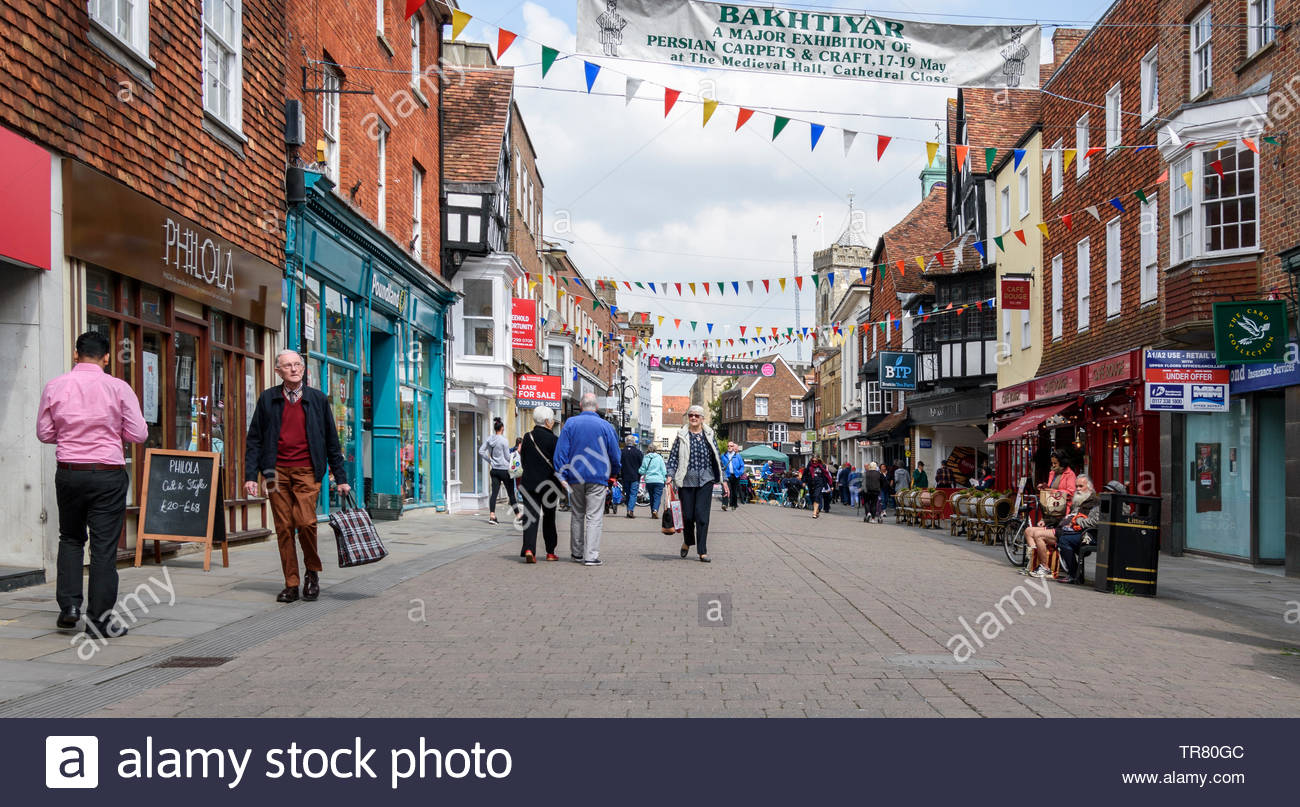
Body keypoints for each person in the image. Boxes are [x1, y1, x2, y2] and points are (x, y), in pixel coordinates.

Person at [37, 331, 148, 636]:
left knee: (71, 538)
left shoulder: (54, 386)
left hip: (70, 472)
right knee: (103, 548)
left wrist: (73, 434)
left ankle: (70, 608)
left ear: (76, 354)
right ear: (107, 358)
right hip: (107, 473)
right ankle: (99, 619)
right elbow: (138, 434)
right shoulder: (118, 388)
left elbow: (44, 434)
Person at [245, 349, 350, 604]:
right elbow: (255, 440)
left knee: (305, 523)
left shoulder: (317, 399)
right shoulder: (268, 398)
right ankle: (291, 584)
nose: (293, 369)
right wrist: (251, 475)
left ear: (303, 369)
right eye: (287, 366)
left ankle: (312, 572)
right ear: (278, 371)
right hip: (275, 472)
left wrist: (341, 476)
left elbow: (331, 442)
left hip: (307, 470)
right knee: (283, 528)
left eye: (297, 365)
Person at [553, 393, 621, 566]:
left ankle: (576, 553)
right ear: (596, 407)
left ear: (581, 406)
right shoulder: (606, 426)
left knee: (577, 514)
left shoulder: (570, 424)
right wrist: (613, 474)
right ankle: (590, 556)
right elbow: (614, 453)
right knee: (594, 516)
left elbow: (561, 451)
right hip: (598, 477)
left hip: (575, 477)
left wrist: (562, 474)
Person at [666, 404, 727, 562]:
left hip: (705, 480)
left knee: (702, 516)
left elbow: (717, 459)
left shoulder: (709, 435)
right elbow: (673, 458)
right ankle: (687, 541)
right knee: (687, 516)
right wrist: (670, 475)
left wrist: (724, 480)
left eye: (696, 416)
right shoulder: (682, 436)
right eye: (691, 415)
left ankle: (702, 551)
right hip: (686, 480)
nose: (693, 418)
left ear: (702, 419)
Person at [517, 407, 562, 562]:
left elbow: (523, 460)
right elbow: (558, 463)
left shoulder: (527, 437)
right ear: (548, 422)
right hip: (549, 485)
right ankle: (550, 552)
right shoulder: (555, 440)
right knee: (549, 518)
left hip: (529, 483)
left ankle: (529, 549)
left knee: (530, 516)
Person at [1024, 449, 1079, 577]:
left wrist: (1052, 491)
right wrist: (1044, 486)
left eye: (1055, 463)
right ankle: (1033, 563)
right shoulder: (1052, 473)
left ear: (1062, 463)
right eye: (1052, 463)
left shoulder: (1070, 475)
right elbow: (1050, 488)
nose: (1053, 466)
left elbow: (1070, 492)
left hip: (1063, 513)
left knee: (1038, 535)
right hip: (1050, 512)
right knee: (1028, 531)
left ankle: (1045, 566)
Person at [1055, 474, 1102, 583]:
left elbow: (1093, 522)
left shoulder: (1095, 501)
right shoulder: (1078, 499)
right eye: (1077, 486)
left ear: (1089, 487)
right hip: (1083, 531)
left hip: (1090, 534)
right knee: (1062, 536)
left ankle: (1074, 574)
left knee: (1063, 539)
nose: (1078, 489)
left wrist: (1077, 521)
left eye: (1081, 486)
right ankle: (1075, 574)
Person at [479, 417, 516, 525]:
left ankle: (492, 515)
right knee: (511, 494)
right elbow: (507, 457)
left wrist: (490, 460)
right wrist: (513, 457)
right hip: (504, 470)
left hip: (494, 470)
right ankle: (519, 515)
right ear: (502, 428)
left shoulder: (489, 439)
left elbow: (481, 451)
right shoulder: (504, 440)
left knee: (494, 493)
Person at [639, 445, 667, 518]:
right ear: (655, 450)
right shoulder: (659, 458)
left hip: (649, 481)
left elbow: (642, 470)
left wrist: (639, 471)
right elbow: (663, 470)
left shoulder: (646, 457)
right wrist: (665, 479)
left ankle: (653, 512)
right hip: (659, 480)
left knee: (651, 497)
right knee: (657, 497)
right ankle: (655, 510)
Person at [620, 435, 644, 518]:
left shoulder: (622, 452)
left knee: (628, 494)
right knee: (633, 494)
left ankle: (628, 509)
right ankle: (630, 510)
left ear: (626, 442)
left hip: (625, 476)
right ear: (634, 442)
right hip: (635, 476)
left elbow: (619, 463)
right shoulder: (638, 452)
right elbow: (642, 464)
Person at [721, 441, 745, 511]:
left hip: (735, 475)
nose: (729, 447)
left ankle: (734, 505)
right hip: (726, 475)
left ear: (733, 447)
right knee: (725, 490)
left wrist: (739, 472)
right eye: (728, 446)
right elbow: (721, 465)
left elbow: (742, 466)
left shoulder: (738, 456)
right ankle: (724, 504)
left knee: (734, 491)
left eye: (731, 446)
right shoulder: (723, 455)